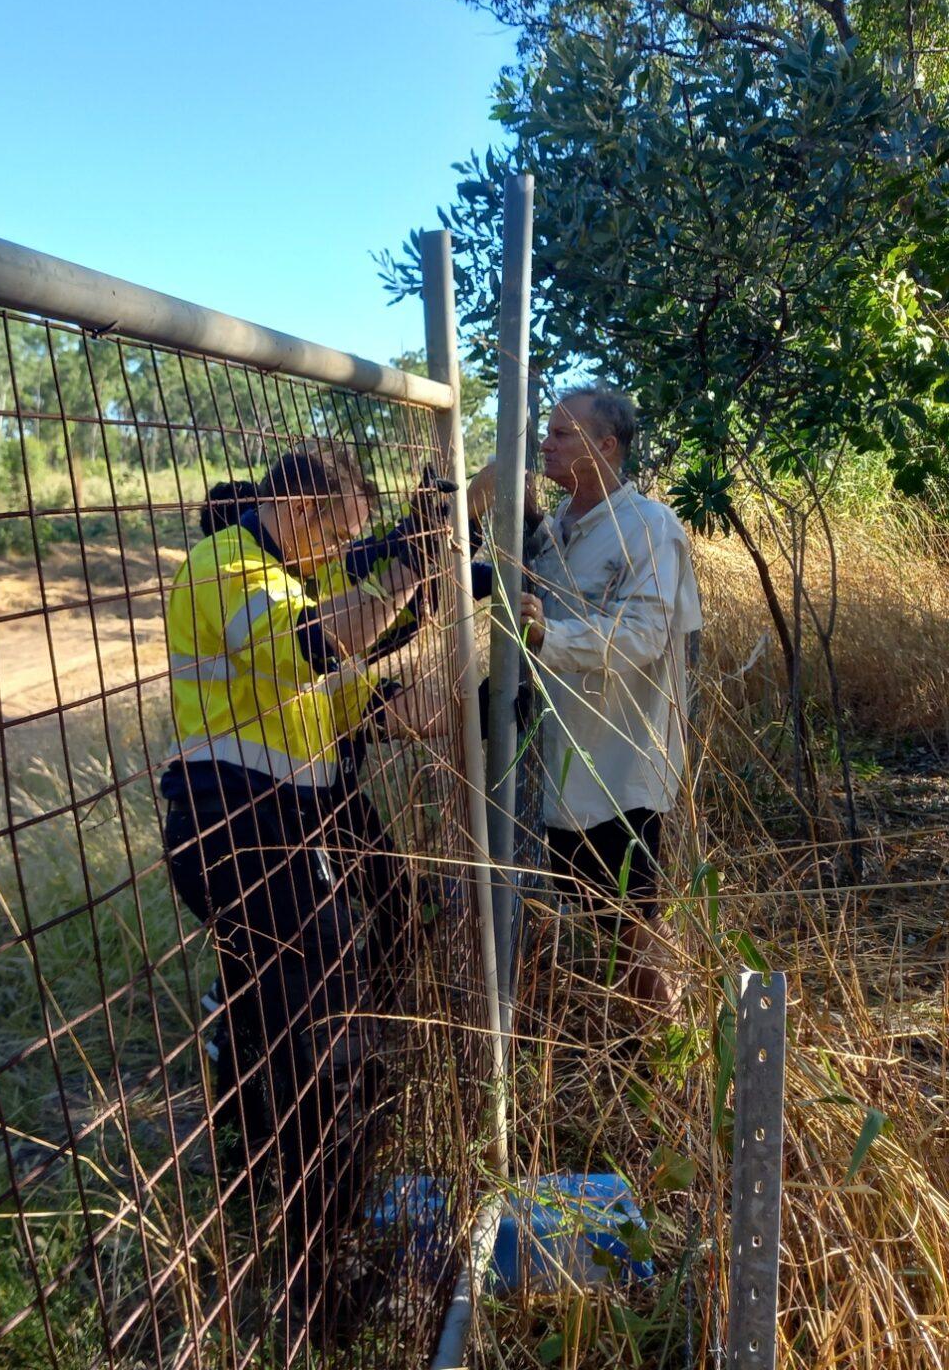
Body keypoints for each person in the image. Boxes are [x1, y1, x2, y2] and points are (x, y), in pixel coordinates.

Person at [159, 448, 450, 1334]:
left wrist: (456, 695)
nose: (339, 549)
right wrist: (413, 560)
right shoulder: (231, 569)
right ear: (296, 504)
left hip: (270, 831)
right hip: (240, 832)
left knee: (272, 1019)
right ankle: (315, 1282)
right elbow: (321, 644)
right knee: (316, 1042)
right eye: (337, 528)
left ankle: (265, 1191)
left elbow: (346, 693)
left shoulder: (280, 576)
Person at [514, 389, 702, 1009]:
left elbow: (646, 633)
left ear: (606, 447)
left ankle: (664, 1052)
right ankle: (626, 1043)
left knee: (634, 922)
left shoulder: (649, 527)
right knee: (599, 913)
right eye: (548, 433)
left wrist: (549, 635)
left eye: (562, 434)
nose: (547, 443)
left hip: (622, 767)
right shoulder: (557, 531)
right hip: (565, 763)